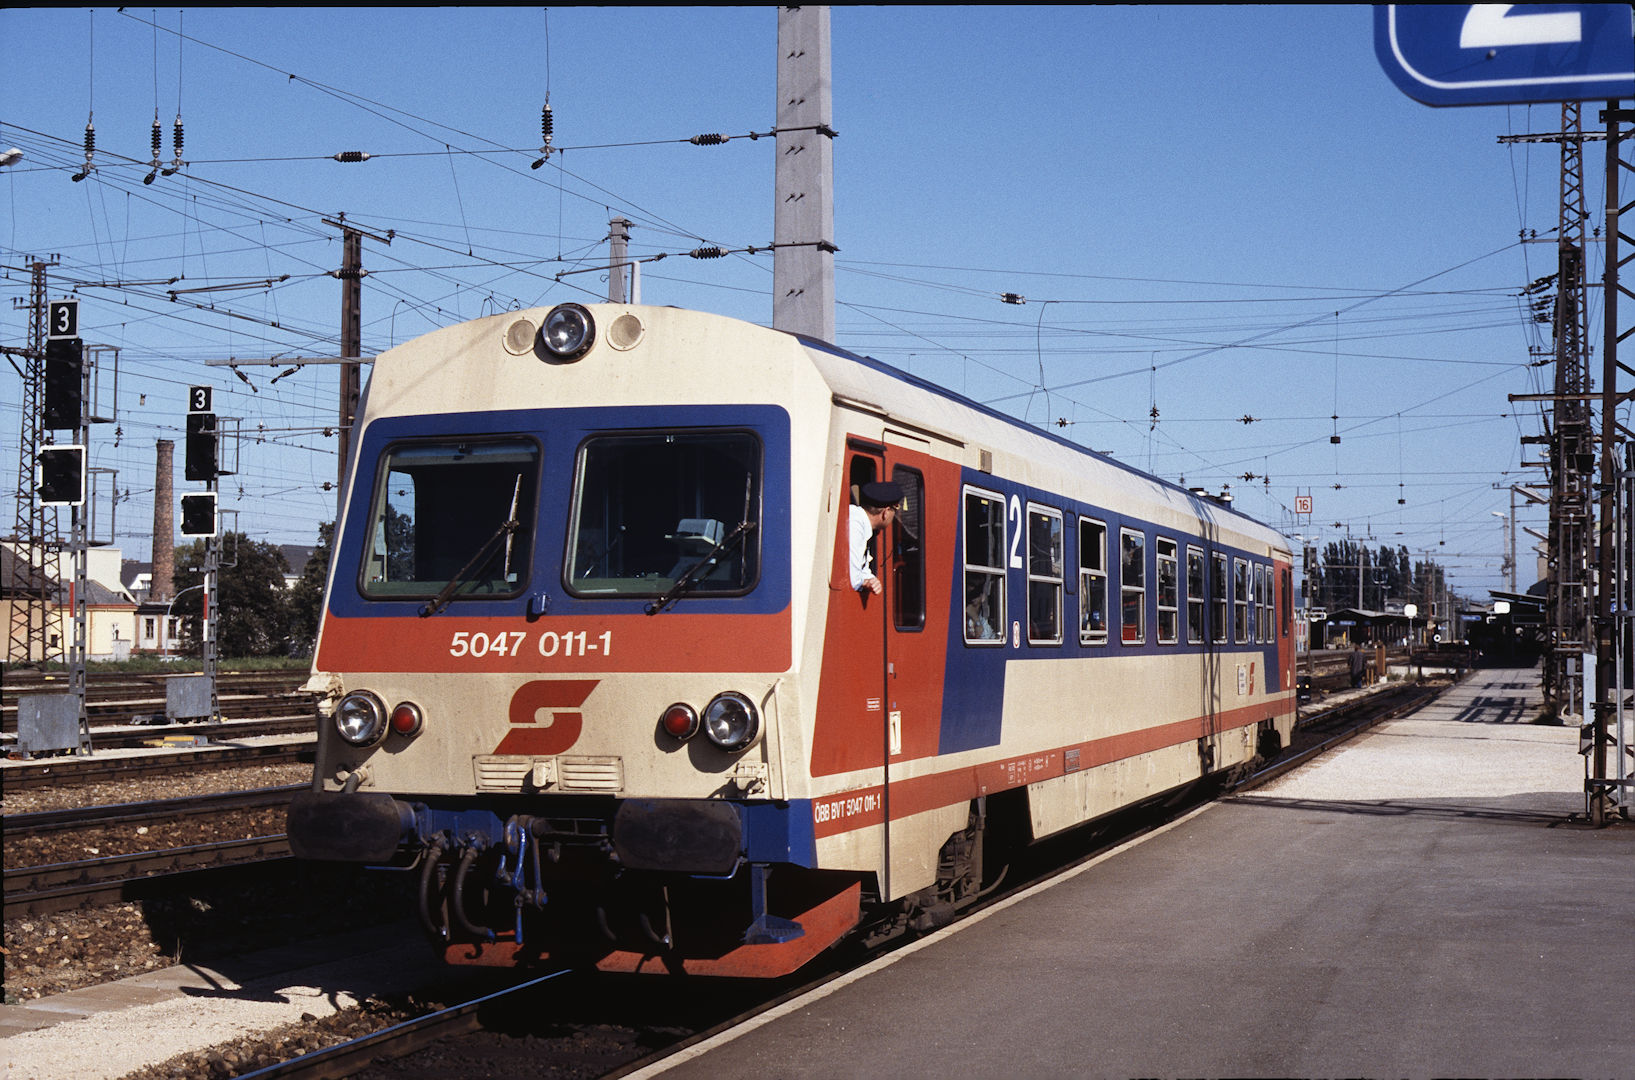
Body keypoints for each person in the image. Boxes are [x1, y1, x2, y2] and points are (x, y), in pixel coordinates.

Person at [850, 480, 902, 595]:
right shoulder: (855, 525)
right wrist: (864, 582)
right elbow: (853, 581)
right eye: (895, 510)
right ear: (886, 512)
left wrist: (871, 579)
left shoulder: (860, 524)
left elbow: (861, 568)